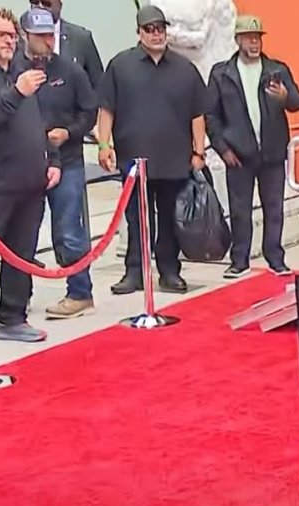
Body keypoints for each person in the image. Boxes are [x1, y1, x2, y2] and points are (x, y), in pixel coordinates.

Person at [97, 4, 208, 295]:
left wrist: (199, 152)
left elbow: (198, 113)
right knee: (136, 220)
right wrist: (104, 144)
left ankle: (169, 272)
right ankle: (134, 273)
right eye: (150, 29)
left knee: (170, 219)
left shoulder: (185, 69)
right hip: (133, 161)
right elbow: (106, 108)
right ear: (139, 33)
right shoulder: (120, 65)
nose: (157, 34)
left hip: (175, 160)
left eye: (160, 28)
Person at [206, 15, 299, 278]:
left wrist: (285, 97)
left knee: (274, 208)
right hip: (238, 154)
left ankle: (275, 257)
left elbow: (298, 101)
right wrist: (223, 149)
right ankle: (239, 260)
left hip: (271, 152)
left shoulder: (277, 70)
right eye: (249, 37)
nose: (254, 42)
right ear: (238, 40)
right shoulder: (222, 73)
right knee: (240, 210)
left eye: (258, 37)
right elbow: (211, 116)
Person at [18, 6, 97, 319]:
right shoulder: (13, 72)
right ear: (26, 36)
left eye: (50, 35)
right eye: (40, 36)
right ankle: (18, 296)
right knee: (23, 233)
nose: (47, 42)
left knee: (68, 230)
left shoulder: (71, 71)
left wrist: (70, 131)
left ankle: (80, 293)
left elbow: (89, 111)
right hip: (24, 165)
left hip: (68, 161)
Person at [0, 5, 60, 360]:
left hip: (31, 183)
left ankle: (12, 316)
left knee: (22, 254)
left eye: (10, 35)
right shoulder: (15, 82)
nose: (7, 40)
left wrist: (54, 160)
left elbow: (40, 121)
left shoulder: (22, 71)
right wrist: (15, 93)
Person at [26, 0, 102, 88]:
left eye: (46, 3)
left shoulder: (81, 38)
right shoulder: (21, 37)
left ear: (60, 5)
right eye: (35, 3)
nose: (40, 8)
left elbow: (98, 85)